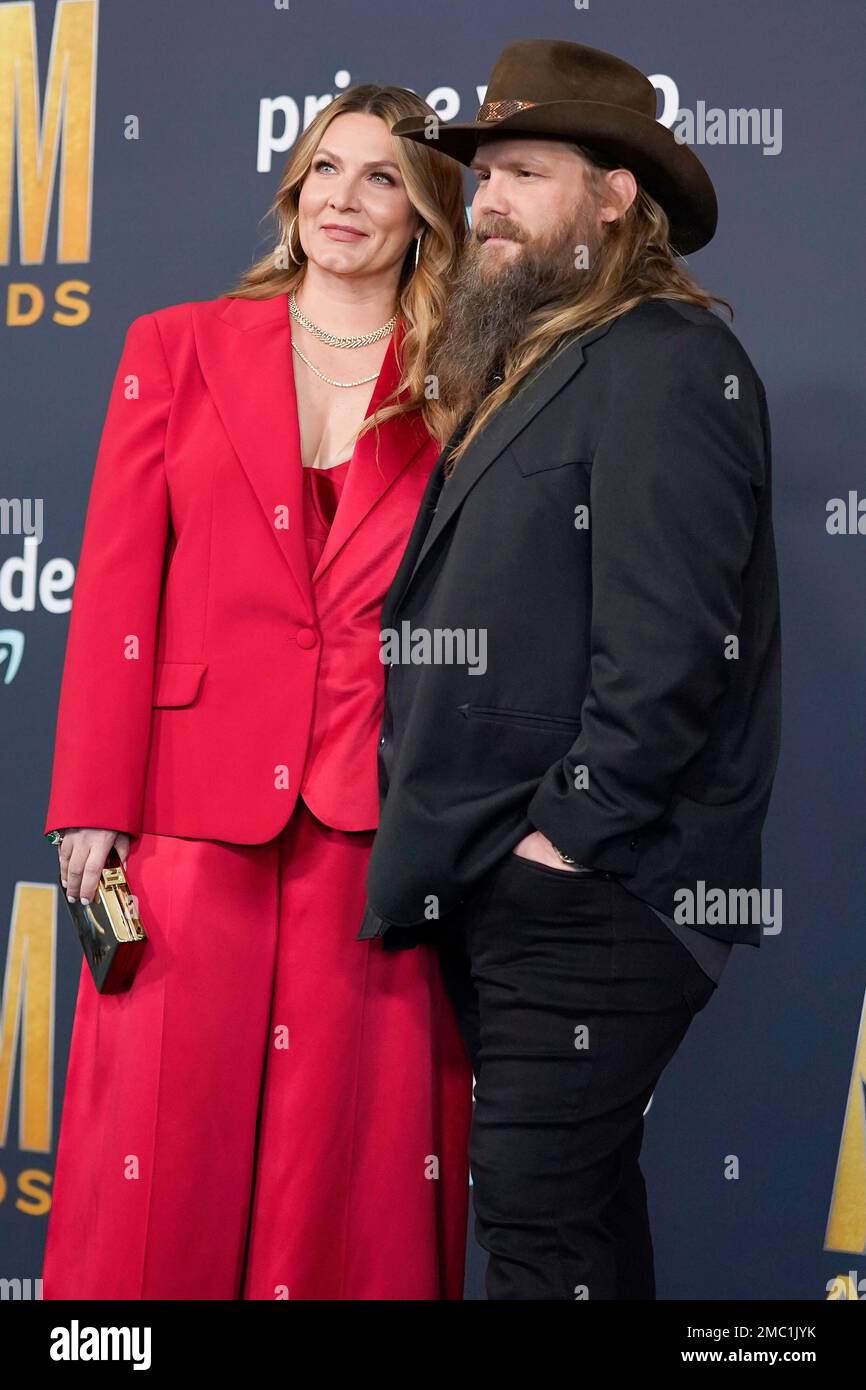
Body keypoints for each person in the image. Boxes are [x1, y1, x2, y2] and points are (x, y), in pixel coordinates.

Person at [356, 40, 781, 1299]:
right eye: (480, 175)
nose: (483, 200)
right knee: (580, 1228)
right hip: (520, 888)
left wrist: (566, 841)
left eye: (523, 173)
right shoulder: (542, 360)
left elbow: (666, 650)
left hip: (594, 890)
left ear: (614, 199)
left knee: (537, 1235)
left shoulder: (661, 361)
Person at [41, 84, 473, 1300]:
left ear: (424, 212)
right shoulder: (174, 347)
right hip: (187, 813)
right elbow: (118, 591)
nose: (345, 198)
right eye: (326, 170)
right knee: (153, 1163)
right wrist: (90, 801)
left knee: (346, 1171)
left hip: (376, 823)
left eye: (382, 177)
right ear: (293, 192)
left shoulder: (466, 380)